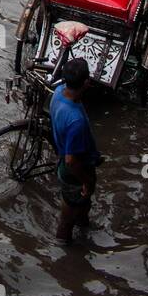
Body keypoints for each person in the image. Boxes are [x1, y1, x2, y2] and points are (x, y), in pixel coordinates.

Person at [50, 56, 101, 244]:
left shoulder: (58, 92)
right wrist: (86, 181)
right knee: (66, 220)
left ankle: (83, 225)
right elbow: (72, 161)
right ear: (86, 82)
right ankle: (64, 254)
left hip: (67, 160)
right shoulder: (75, 121)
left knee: (81, 205)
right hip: (74, 172)